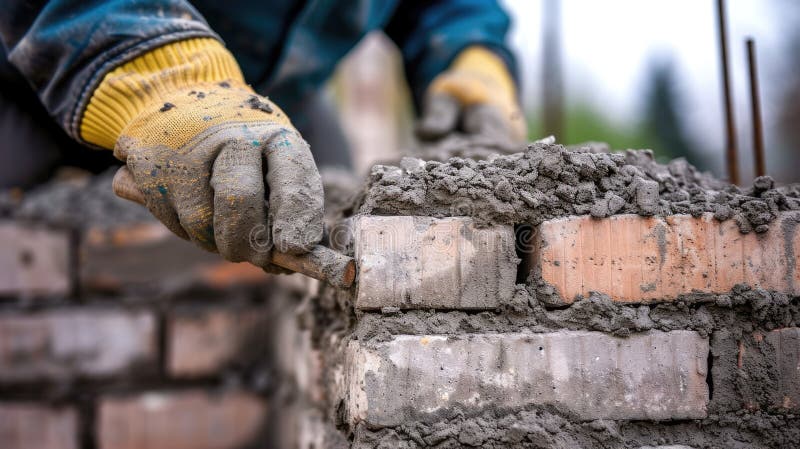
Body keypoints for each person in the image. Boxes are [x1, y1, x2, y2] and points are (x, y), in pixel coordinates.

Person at [0, 0, 526, 272]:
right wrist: (164, 78)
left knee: (321, 197)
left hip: (269, 100)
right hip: (34, 73)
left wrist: (467, 52)